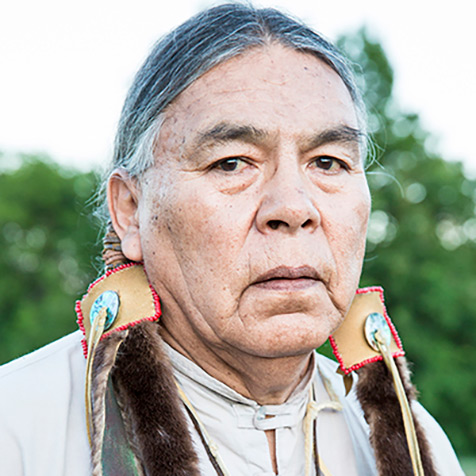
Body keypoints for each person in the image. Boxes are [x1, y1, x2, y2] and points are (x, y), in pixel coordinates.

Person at [0, 3, 464, 475]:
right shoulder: (17, 433)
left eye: (327, 162)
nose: (293, 209)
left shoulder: (418, 446)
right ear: (131, 210)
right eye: (232, 163)